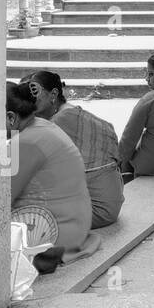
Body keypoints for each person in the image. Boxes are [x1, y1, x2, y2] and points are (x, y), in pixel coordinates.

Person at [25, 71, 123, 228]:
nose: (27, 100)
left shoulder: (58, 123)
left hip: (95, 211)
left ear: (54, 94)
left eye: (33, 92)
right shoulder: (70, 112)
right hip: (110, 205)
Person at [7, 82, 93, 258]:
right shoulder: (40, 126)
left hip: (54, 234)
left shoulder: (25, 142)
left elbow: (1, 199)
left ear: (11, 118)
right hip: (75, 226)